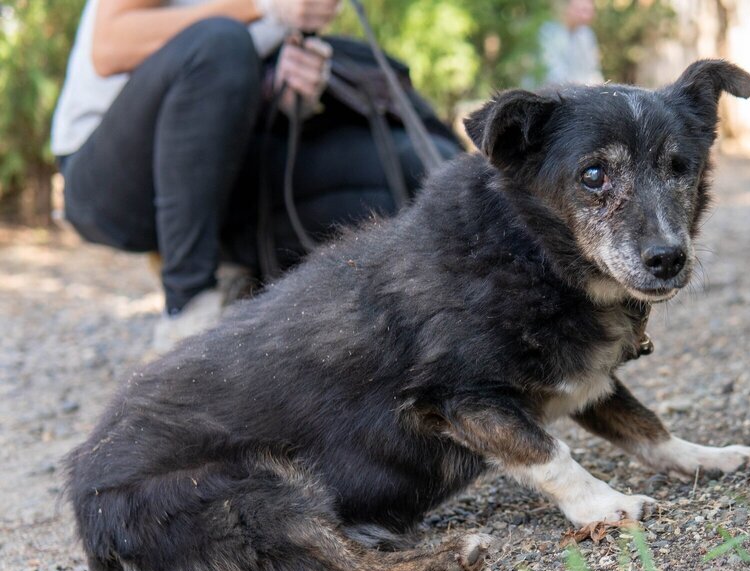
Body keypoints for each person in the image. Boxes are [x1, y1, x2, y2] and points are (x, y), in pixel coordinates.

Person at [51, 0, 461, 351]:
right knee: (221, 42)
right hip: (108, 178)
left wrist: (283, 82)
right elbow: (110, 46)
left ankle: (243, 275)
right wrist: (263, 6)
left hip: (228, 170)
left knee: (416, 169)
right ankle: (188, 310)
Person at [538, 0, 603, 86]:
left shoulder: (586, 34)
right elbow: (553, 74)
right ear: (566, 7)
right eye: (583, 10)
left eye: (590, 10)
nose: (587, 15)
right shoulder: (548, 33)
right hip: (554, 90)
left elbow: (593, 70)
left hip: (581, 90)